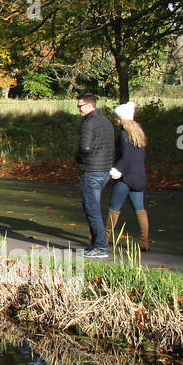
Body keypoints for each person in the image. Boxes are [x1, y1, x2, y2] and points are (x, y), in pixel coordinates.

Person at [75, 92, 115, 258]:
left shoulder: (88, 123)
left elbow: (85, 147)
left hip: (92, 170)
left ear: (90, 106)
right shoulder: (106, 122)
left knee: (92, 209)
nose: (78, 109)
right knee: (93, 207)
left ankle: (100, 246)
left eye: (80, 106)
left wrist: (78, 158)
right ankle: (96, 244)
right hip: (105, 169)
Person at [108, 101, 150, 252]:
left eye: (117, 118)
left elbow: (124, 157)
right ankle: (144, 241)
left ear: (122, 119)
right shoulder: (139, 133)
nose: (115, 120)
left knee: (114, 208)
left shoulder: (123, 135)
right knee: (140, 209)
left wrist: (116, 170)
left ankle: (104, 238)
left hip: (125, 178)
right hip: (139, 177)